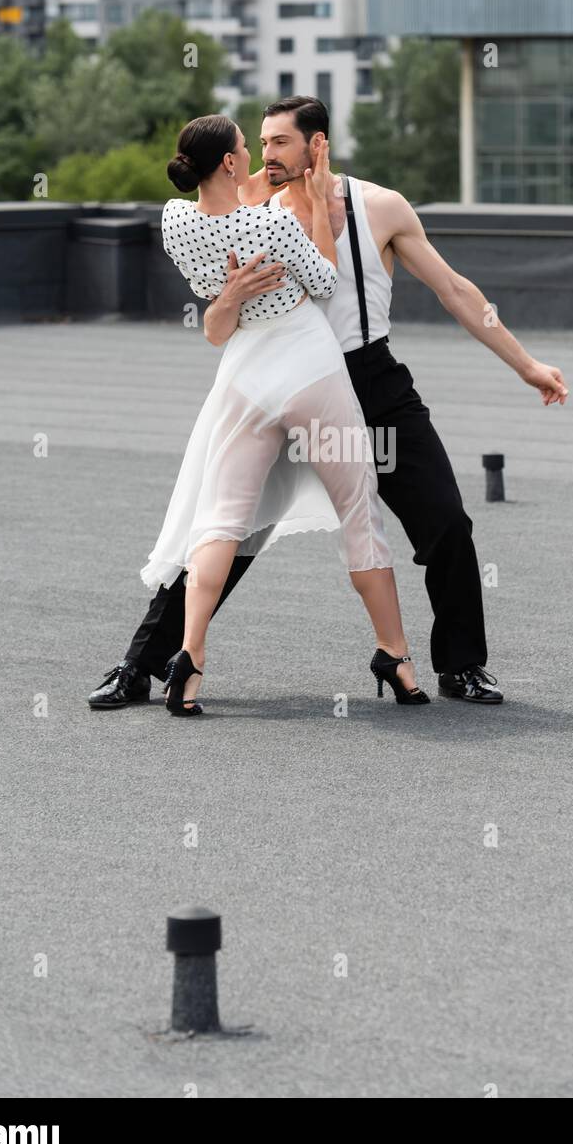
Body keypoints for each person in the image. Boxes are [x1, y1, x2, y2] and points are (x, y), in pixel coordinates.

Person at [89, 96, 568, 712]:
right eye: (260, 143)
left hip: (370, 387)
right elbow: (218, 321)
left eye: (280, 143)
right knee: (223, 534)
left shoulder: (382, 207)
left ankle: (462, 665)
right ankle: (139, 667)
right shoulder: (252, 212)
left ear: (317, 145)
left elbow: (453, 290)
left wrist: (526, 364)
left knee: (446, 522)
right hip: (284, 386)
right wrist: (229, 295)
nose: (267, 156)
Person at [134, 113, 427, 715]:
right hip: (306, 362)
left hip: (245, 371)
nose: (256, 153)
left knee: (219, 520)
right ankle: (394, 655)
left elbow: (217, 314)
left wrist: (233, 293)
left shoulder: (176, 222)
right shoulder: (271, 220)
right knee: (357, 506)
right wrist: (318, 205)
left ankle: (190, 657)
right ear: (232, 164)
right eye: (248, 146)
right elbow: (324, 282)